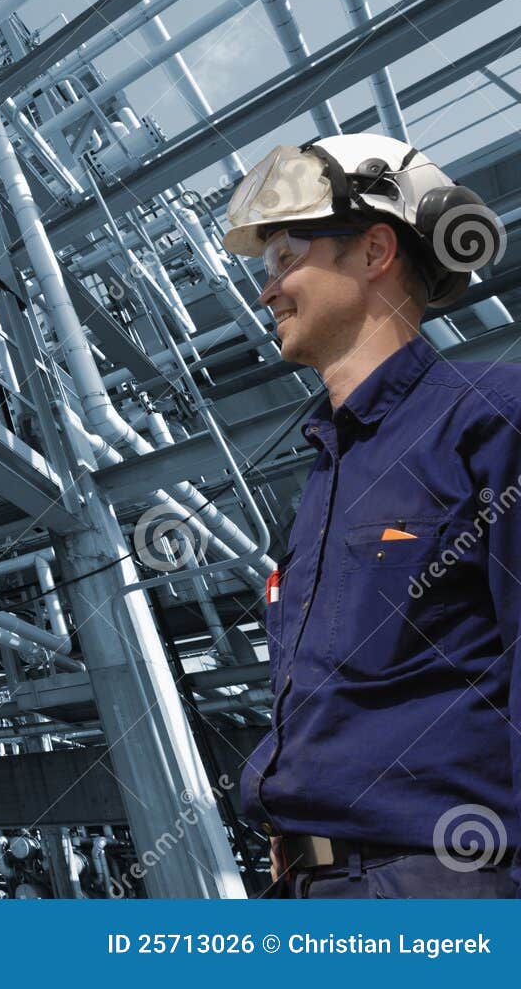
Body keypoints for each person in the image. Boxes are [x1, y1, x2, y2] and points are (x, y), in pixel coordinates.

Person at [219, 134, 518, 897]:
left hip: (433, 886)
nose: (267, 290)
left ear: (375, 248)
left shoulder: (491, 418)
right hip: (311, 889)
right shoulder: (326, 476)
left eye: (286, 258)